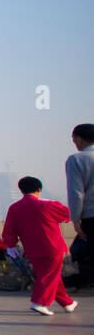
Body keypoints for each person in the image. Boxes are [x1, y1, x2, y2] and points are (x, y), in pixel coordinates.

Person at [2, 176, 77, 316]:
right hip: (52, 247)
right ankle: (39, 302)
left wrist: (10, 246)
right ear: (39, 189)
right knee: (49, 276)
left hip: (32, 250)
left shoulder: (14, 208)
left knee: (49, 276)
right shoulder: (47, 205)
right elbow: (68, 214)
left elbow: (9, 231)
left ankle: (67, 303)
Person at [66, 123, 94, 289]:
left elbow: (76, 193)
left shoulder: (76, 159)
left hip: (90, 216)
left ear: (79, 139)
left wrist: (75, 219)